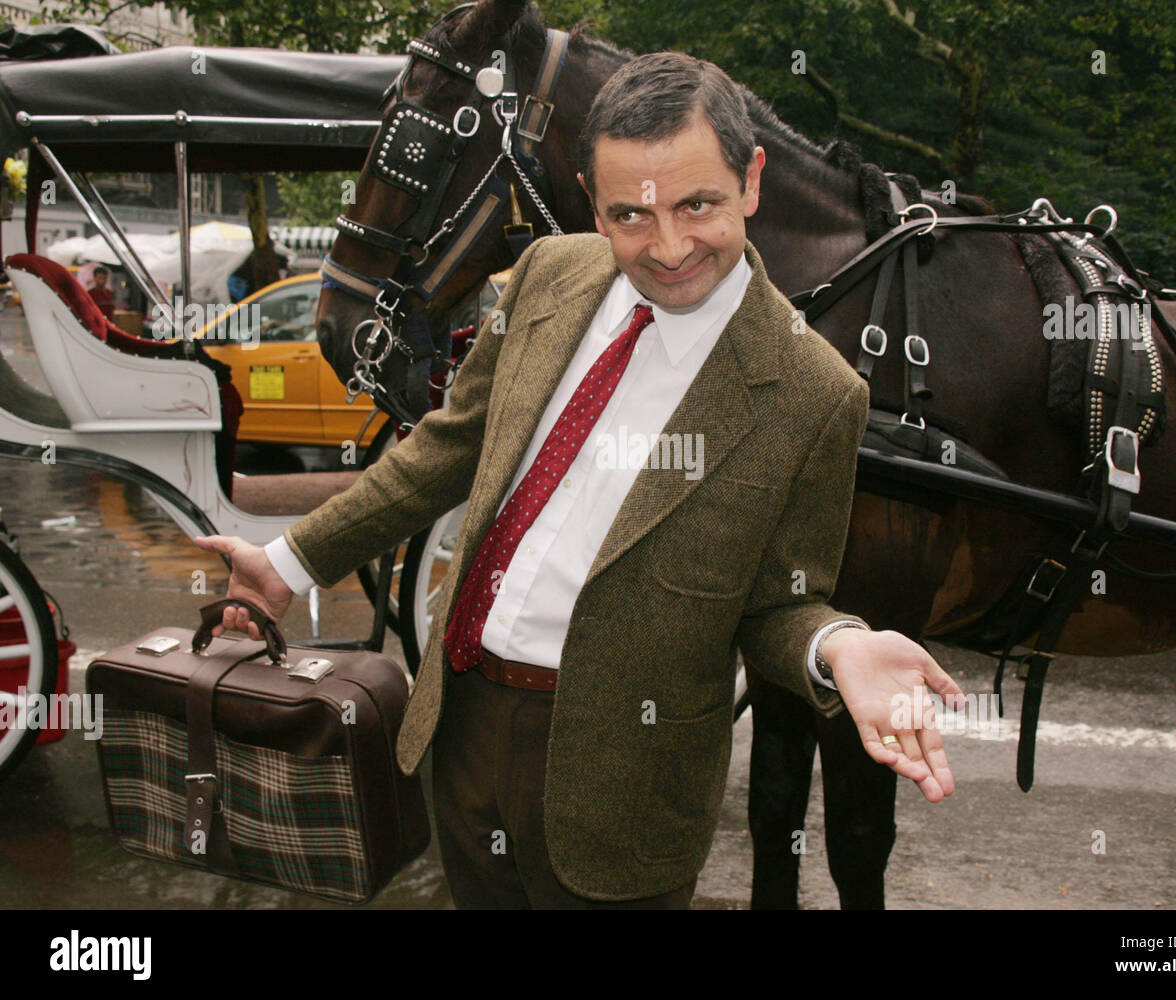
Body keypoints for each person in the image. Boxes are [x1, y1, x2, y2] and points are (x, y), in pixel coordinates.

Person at [194, 51, 963, 909]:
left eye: (696, 205)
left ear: (751, 181)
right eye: (630, 214)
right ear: (592, 206)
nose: (668, 247)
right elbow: (449, 447)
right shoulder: (548, 275)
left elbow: (781, 601)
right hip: (464, 725)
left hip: (622, 788)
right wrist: (290, 559)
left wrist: (838, 647)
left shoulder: (815, 395)